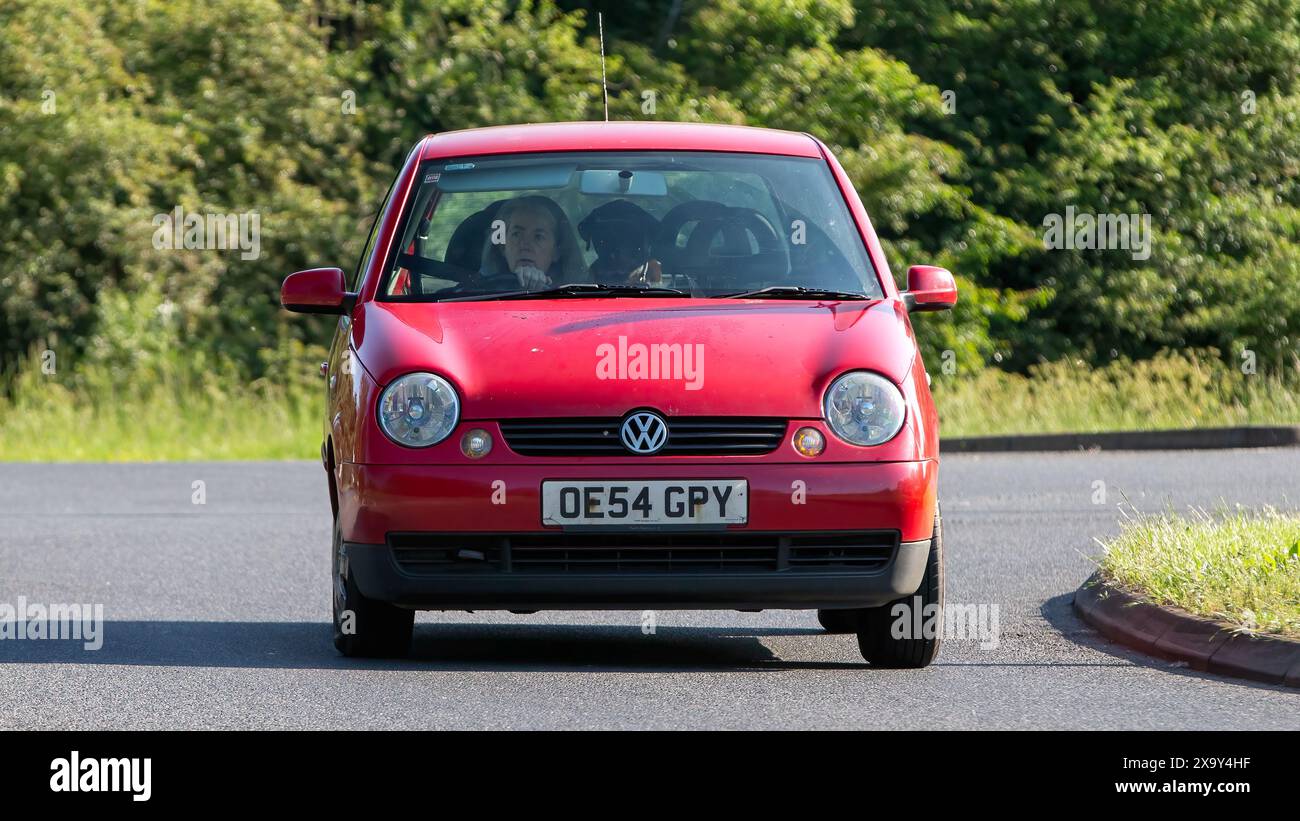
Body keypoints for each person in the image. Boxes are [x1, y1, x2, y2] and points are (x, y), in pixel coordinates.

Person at [480, 195, 586, 288]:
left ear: (556, 251)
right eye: (516, 234)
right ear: (503, 247)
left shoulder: (582, 296)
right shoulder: (475, 293)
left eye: (538, 237)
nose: (524, 245)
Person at [577, 199, 664, 286]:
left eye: (630, 236)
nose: (616, 250)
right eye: (606, 239)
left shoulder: (654, 272)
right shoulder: (584, 282)